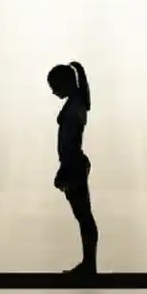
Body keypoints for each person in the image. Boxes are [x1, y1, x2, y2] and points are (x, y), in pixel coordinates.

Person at [48, 61, 99, 274]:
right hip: (72, 163)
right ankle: (88, 263)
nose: (53, 92)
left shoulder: (77, 102)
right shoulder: (76, 101)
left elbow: (70, 142)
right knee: (82, 215)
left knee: (84, 215)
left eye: (55, 88)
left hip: (74, 163)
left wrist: (66, 168)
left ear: (66, 84)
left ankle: (89, 264)